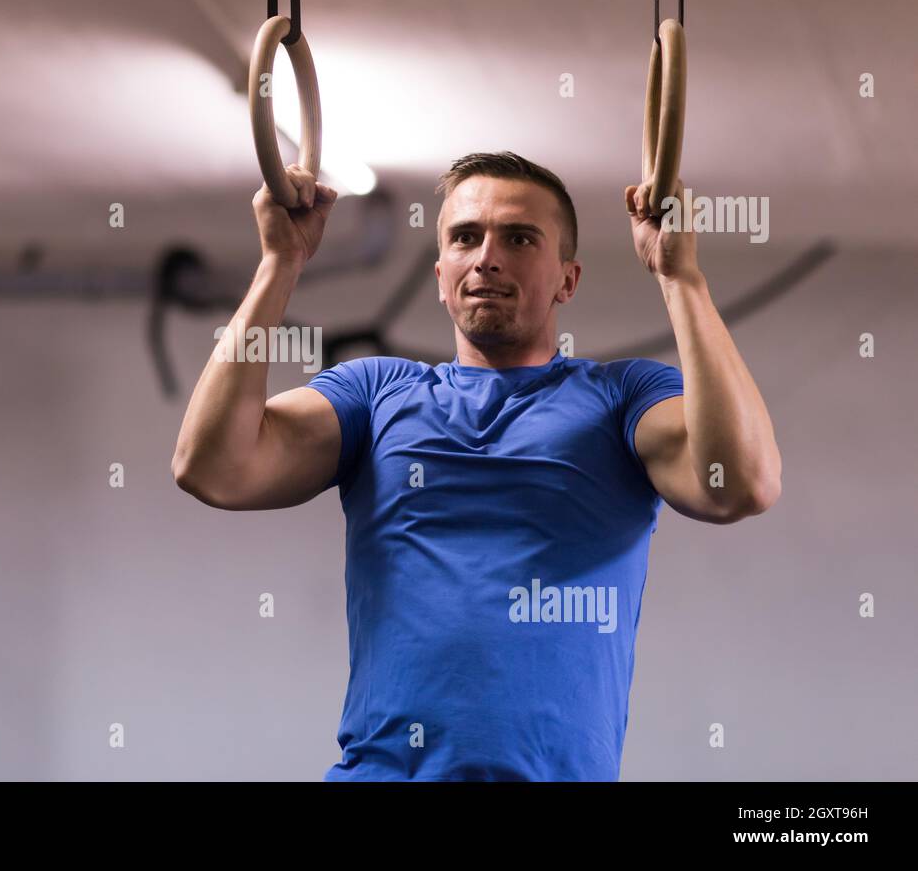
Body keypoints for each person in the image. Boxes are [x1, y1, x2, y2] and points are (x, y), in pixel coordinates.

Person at [171, 151, 781, 780]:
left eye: (519, 238)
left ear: (568, 280)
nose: (487, 257)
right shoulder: (375, 395)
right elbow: (212, 466)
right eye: (466, 237)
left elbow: (742, 484)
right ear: (441, 276)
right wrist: (280, 263)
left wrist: (682, 278)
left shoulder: (622, 397)